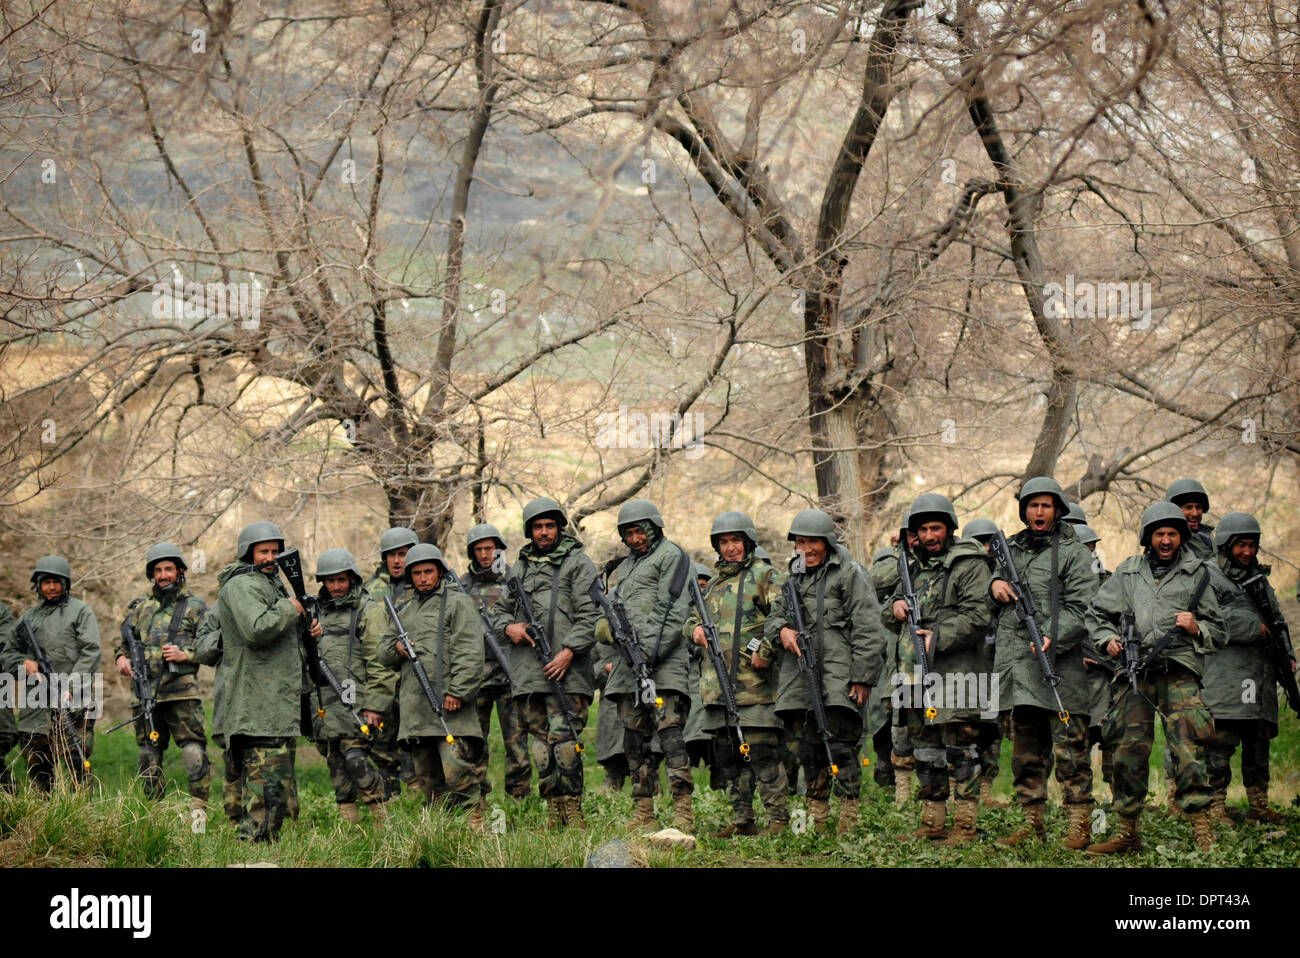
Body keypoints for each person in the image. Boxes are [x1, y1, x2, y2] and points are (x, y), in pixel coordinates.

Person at [1084, 502, 1225, 854]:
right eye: (1159, 533)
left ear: (1181, 537)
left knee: (1188, 751)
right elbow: (1096, 613)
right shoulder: (1129, 572)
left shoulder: (1198, 574)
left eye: (1172, 534)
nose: (1166, 540)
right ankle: (1127, 833)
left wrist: (1197, 627)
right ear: (1149, 537)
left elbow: (1220, 631)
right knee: (1127, 754)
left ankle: (1202, 832)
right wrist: (1108, 640)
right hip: (1135, 673)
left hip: (1179, 673)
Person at [989, 477, 1097, 850]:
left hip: (1059, 669)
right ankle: (1031, 824)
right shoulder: (1009, 550)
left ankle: (1079, 825)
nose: (1039, 512)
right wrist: (995, 586)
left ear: (1057, 510)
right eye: (1033, 505)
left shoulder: (1073, 552)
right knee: (1026, 754)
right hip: (1018, 670)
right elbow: (985, 596)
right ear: (1024, 510)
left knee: (1071, 751)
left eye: (1046, 505)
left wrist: (1053, 634)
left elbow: (1085, 607)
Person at [763, 508, 886, 834]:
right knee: (808, 750)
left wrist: (863, 676)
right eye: (800, 542)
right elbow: (774, 618)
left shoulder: (850, 573)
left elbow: (869, 628)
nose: (806, 549)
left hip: (839, 678)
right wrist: (782, 632)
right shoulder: (793, 578)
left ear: (827, 542)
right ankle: (815, 818)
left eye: (812, 542)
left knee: (842, 746)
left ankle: (848, 819)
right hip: (799, 679)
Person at [887, 495, 994, 844]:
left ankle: (965, 825)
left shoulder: (969, 563)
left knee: (962, 750)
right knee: (924, 750)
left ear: (949, 528)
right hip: (912, 672)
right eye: (923, 530)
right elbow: (889, 597)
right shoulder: (911, 565)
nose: (931, 536)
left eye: (936, 528)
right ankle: (932, 822)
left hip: (958, 670)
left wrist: (938, 636)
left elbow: (979, 617)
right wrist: (897, 605)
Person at [490, 498, 599, 827]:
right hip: (529, 674)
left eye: (549, 526)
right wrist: (511, 627)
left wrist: (568, 651)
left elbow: (591, 615)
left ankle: (574, 810)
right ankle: (554, 810)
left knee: (566, 746)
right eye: (537, 527)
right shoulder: (518, 568)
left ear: (559, 527)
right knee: (540, 748)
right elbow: (499, 616)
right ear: (529, 531)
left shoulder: (578, 563)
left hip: (569, 672)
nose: (544, 532)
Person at [684, 511, 789, 837]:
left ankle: (778, 821)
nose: (731, 548)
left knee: (762, 754)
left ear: (748, 541)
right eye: (724, 542)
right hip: (717, 689)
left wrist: (766, 651)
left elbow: (784, 617)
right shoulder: (713, 584)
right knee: (728, 757)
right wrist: (695, 631)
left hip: (755, 687)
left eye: (736, 540)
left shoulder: (766, 576)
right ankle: (743, 819)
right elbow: (688, 622)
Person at [595, 499, 695, 831]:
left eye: (640, 532)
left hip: (663, 664)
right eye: (629, 534)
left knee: (670, 736)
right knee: (633, 740)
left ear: (654, 527)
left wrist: (646, 657)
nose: (635, 539)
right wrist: (609, 633)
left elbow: (671, 611)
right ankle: (644, 812)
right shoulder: (622, 568)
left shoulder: (673, 557)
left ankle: (683, 812)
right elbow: (605, 616)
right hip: (626, 665)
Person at [211, 522, 305, 841]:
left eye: (275, 551)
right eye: (263, 551)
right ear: (248, 553)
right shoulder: (242, 585)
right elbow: (256, 629)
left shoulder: (272, 585)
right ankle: (250, 848)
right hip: (258, 705)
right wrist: (289, 608)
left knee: (275, 790)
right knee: (264, 792)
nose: (271, 557)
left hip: (276, 703)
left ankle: (265, 847)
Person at [380, 543, 485, 825]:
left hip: (451, 706)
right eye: (417, 573)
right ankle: (443, 839)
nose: (423, 578)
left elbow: (470, 651)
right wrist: (398, 649)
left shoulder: (458, 603)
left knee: (458, 772)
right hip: (417, 709)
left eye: (428, 571)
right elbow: (383, 652)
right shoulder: (404, 609)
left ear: (439, 571)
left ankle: (477, 831)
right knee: (429, 782)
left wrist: (459, 691)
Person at [1201, 513, 1293, 826]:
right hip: (1226, 675)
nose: (1247, 551)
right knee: (1221, 741)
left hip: (1258, 675)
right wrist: (1255, 627)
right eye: (1241, 544)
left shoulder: (1259, 580)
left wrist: (1288, 654)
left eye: (1252, 545)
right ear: (1226, 544)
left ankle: (1259, 804)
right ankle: (1215, 806)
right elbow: (1210, 615)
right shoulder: (1209, 575)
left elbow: (1277, 620)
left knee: (1258, 739)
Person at [114, 543, 210, 809]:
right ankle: (154, 812)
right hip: (145, 694)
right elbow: (123, 643)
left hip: (181, 692)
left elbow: (215, 646)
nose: (164, 575)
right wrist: (121, 659)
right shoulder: (139, 608)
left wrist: (186, 655)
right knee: (148, 754)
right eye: (158, 570)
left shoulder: (195, 607)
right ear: (151, 574)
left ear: (179, 570)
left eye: (169, 568)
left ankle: (198, 811)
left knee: (193, 752)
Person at [0, 556, 100, 792]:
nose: (52, 587)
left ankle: (81, 819)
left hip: (73, 702)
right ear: (38, 585)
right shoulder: (28, 618)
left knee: (77, 765)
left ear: (66, 583)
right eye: (46, 582)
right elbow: (8, 651)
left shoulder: (80, 612)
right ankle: (45, 821)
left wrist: (71, 687)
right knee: (38, 768)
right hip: (35, 705)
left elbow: (91, 651)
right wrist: (24, 663)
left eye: (56, 582)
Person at [310, 548, 386, 825]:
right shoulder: (314, 612)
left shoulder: (367, 609)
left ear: (352, 578)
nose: (336, 586)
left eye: (342, 580)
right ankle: (350, 831)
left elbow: (378, 661)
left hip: (357, 702)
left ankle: (383, 823)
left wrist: (375, 704)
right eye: (330, 581)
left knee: (357, 760)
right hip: (324, 706)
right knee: (337, 766)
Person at [461, 523, 531, 803]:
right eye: (478, 549)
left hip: (511, 673)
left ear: (499, 548)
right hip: (476, 675)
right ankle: (476, 800)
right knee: (475, 742)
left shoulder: (515, 580)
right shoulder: (463, 586)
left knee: (517, 743)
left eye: (489, 548)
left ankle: (519, 801)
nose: (484, 554)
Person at [363, 526, 420, 797]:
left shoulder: (424, 582)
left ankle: (419, 795)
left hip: (416, 678)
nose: (397, 561)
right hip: (381, 679)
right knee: (382, 744)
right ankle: (390, 796)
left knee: (416, 741)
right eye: (391, 555)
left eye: (403, 554)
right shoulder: (371, 590)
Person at [960, 517, 1008, 808]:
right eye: (979, 541)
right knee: (964, 729)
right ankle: (964, 790)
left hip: (996, 663)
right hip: (967, 662)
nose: (985, 547)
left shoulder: (1005, 572)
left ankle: (986, 789)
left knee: (992, 729)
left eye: (990, 541)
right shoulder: (961, 572)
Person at [1166, 478, 1215, 559]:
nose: (1195, 513)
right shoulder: (1168, 542)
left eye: (1198, 507)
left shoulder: (1206, 536)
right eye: (1188, 507)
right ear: (1175, 510)